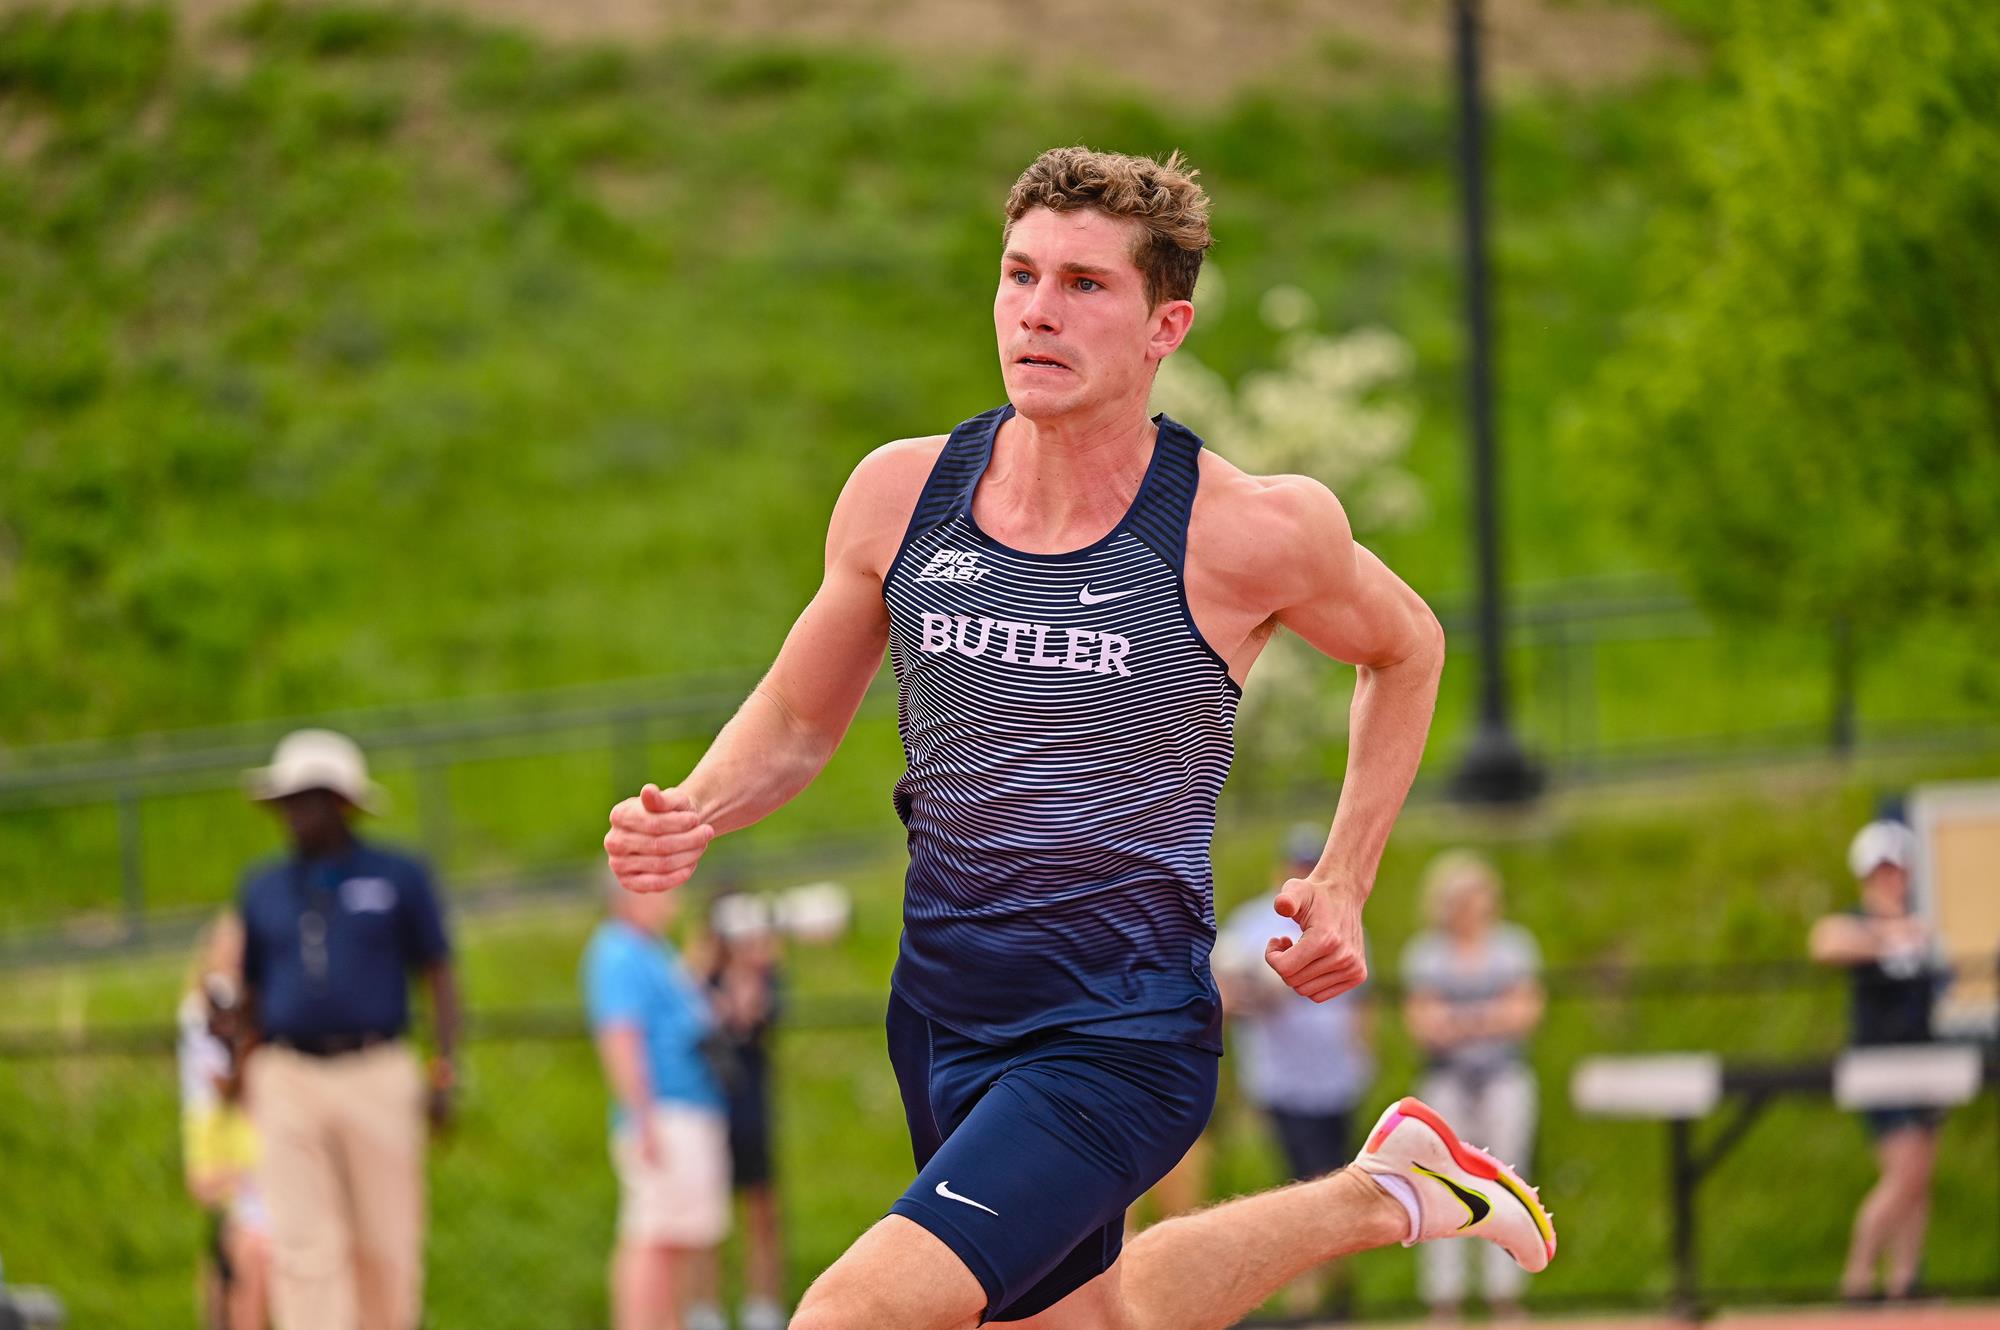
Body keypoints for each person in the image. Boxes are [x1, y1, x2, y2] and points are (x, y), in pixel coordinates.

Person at [606, 146, 1556, 1330]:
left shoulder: (1243, 528)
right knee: (1083, 1322)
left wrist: (1345, 877)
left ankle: (1382, 1192)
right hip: (944, 1011)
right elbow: (800, 719)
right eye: (1018, 275)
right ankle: (1383, 1192)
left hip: (1118, 1029)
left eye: (1083, 285)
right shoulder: (903, 495)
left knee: (850, 1317)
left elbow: (1405, 646)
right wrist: (695, 804)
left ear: (1166, 326)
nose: (1037, 311)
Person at [235, 729, 459, 1330]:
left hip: (376, 1069)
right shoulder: (262, 888)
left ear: (341, 802)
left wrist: (445, 1066)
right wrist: (238, 1062)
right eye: (287, 800)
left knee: (386, 1244)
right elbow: (252, 984)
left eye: (308, 797)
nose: (294, 812)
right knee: (304, 1248)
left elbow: (437, 971)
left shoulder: (398, 876)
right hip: (287, 1073)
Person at [1213, 824, 1378, 1318]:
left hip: (1336, 1075)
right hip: (1282, 1077)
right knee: (1303, 1181)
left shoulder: (1341, 918)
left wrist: (1364, 1055)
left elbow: (1361, 998)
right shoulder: (1248, 924)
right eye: (1297, 864)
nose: (1303, 873)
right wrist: (1256, 997)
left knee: (1338, 1176)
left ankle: (1336, 1285)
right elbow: (1224, 993)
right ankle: (1312, 1292)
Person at [1399, 852, 1545, 1322]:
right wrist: (1489, 1018)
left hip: (1504, 1078)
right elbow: (1425, 1024)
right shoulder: (1425, 952)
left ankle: (1506, 1291)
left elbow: (1523, 1015)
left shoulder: (1514, 947)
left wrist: (1461, 1020)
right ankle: (1446, 1297)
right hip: (1447, 1083)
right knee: (1440, 1183)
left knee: (1507, 1180)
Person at [585, 872, 733, 1330]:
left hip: (687, 1109)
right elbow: (621, 1039)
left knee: (676, 1239)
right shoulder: (618, 951)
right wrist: (643, 1118)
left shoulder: (654, 950)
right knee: (650, 1237)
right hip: (664, 1114)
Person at [1809, 818, 1943, 1303]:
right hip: (1881, 1068)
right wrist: (1889, 937)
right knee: (1904, 1171)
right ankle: (1859, 1276)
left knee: (1920, 1177)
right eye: (1880, 873)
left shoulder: (1925, 928)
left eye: (1897, 872)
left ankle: (1905, 1280)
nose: (1890, 881)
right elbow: (1825, 940)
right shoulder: (1861, 927)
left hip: (1924, 1065)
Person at [696, 892, 789, 1330]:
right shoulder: (699, 978)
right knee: (705, 1218)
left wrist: (753, 966)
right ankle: (705, 1310)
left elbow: (753, 1017)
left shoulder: (763, 974)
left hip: (752, 1104)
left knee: (761, 1209)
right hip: (710, 1107)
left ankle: (763, 1308)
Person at [178, 913, 270, 1330]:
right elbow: (213, 1086)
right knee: (245, 1251)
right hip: (225, 1134)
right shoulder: (202, 1010)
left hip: (258, 1138)